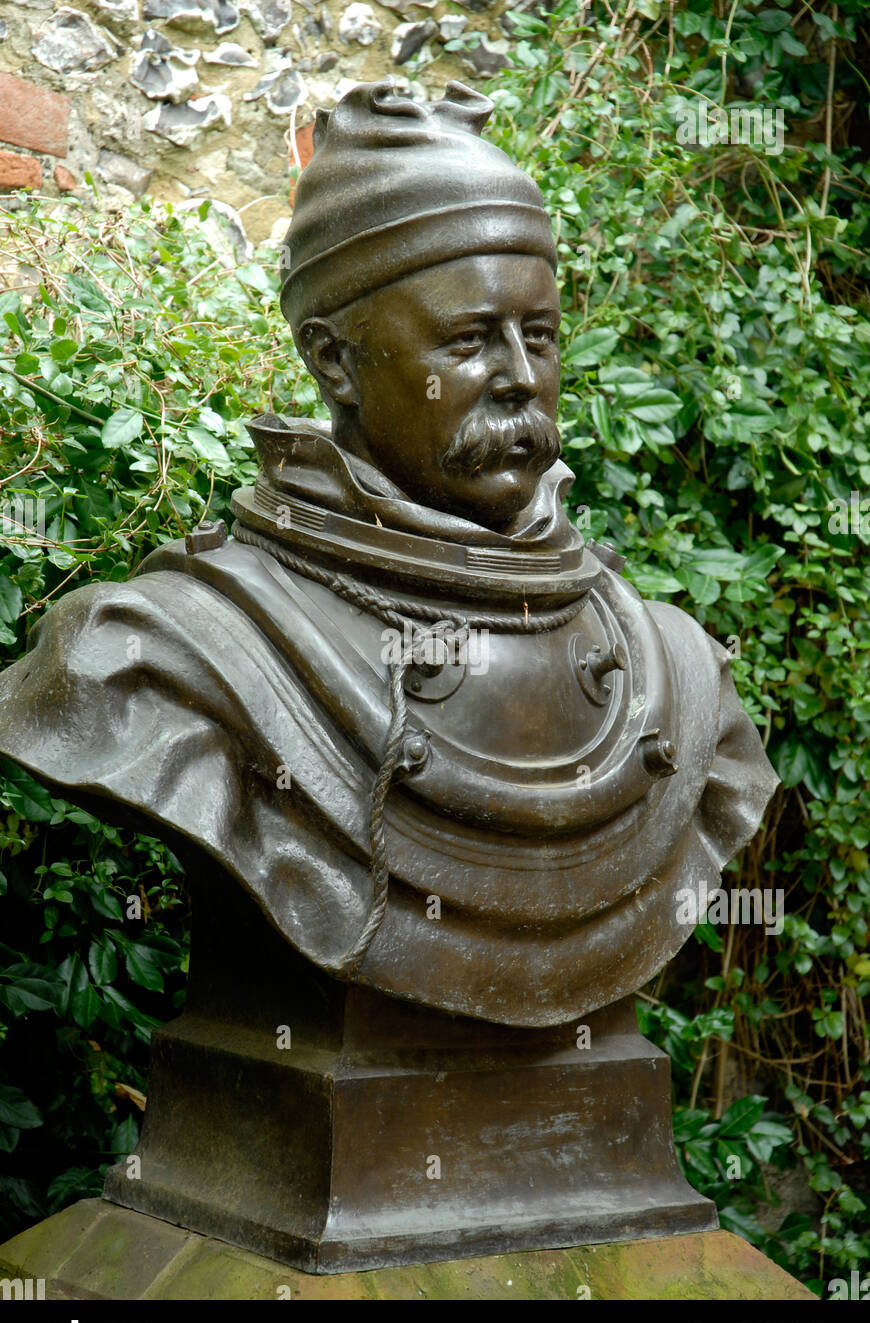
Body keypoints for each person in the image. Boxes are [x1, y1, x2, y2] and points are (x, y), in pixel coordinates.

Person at [0, 80, 778, 1027]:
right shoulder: (153, 655)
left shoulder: (681, 680)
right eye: (469, 340)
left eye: (539, 336)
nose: (522, 381)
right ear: (334, 361)